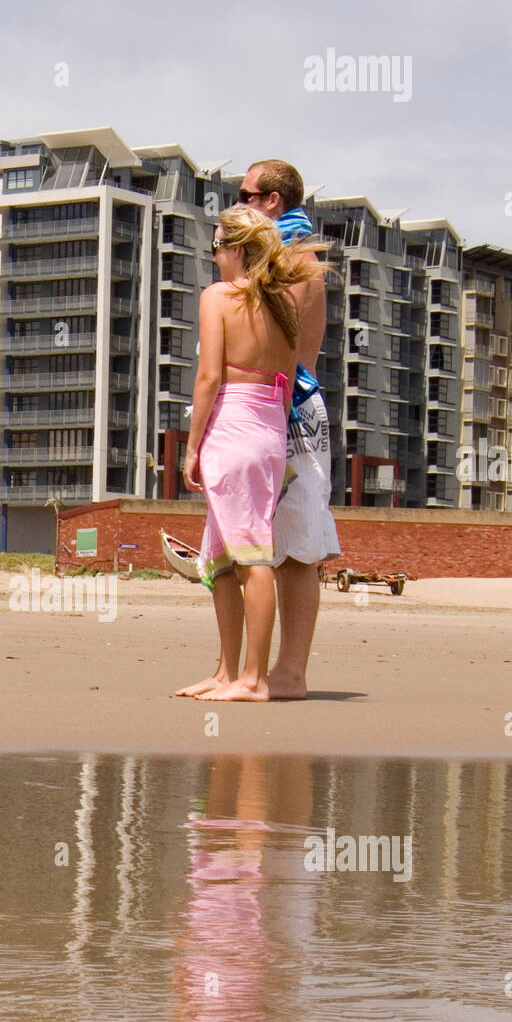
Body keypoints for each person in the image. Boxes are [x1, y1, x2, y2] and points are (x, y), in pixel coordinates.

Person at [175, 205, 326, 702]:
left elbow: (210, 378)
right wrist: (273, 444)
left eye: (217, 246)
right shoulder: (283, 303)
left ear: (237, 249)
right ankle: (226, 672)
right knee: (220, 557)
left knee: (253, 556)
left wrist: (192, 446)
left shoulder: (218, 297)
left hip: (232, 424)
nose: (214, 255)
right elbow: (287, 383)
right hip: (267, 428)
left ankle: (254, 679)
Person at [236, 160, 341, 698]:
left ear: (272, 200)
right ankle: (255, 669)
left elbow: (276, 344)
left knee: (297, 548)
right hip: (265, 407)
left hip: (290, 409)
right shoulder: (278, 258)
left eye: (245, 194)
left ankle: (291, 671)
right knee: (252, 544)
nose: (239, 203)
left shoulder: (296, 260)